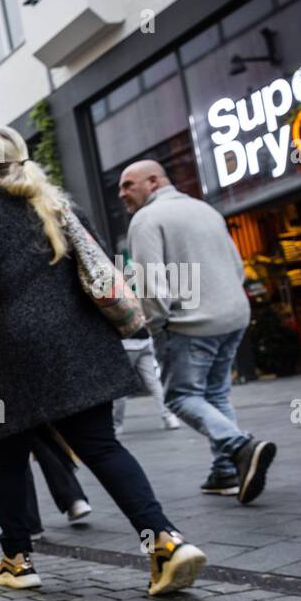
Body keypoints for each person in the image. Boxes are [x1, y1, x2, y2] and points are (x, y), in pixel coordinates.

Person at [0, 125, 206, 596]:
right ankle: (165, 543)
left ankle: (17, 561)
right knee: (102, 446)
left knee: (7, 458)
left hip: (4, 368)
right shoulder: (57, 205)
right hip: (79, 355)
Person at [119, 160, 276, 503]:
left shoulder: (146, 219)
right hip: (232, 316)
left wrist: (158, 324)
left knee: (181, 397)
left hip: (190, 323)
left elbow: (150, 283)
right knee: (216, 394)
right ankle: (226, 472)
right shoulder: (205, 210)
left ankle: (240, 445)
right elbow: (237, 266)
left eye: (129, 184)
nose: (122, 193)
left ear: (154, 181)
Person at [112, 327, 180, 435]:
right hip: (145, 341)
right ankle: (169, 417)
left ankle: (116, 425)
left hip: (126, 344)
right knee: (153, 383)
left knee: (121, 386)